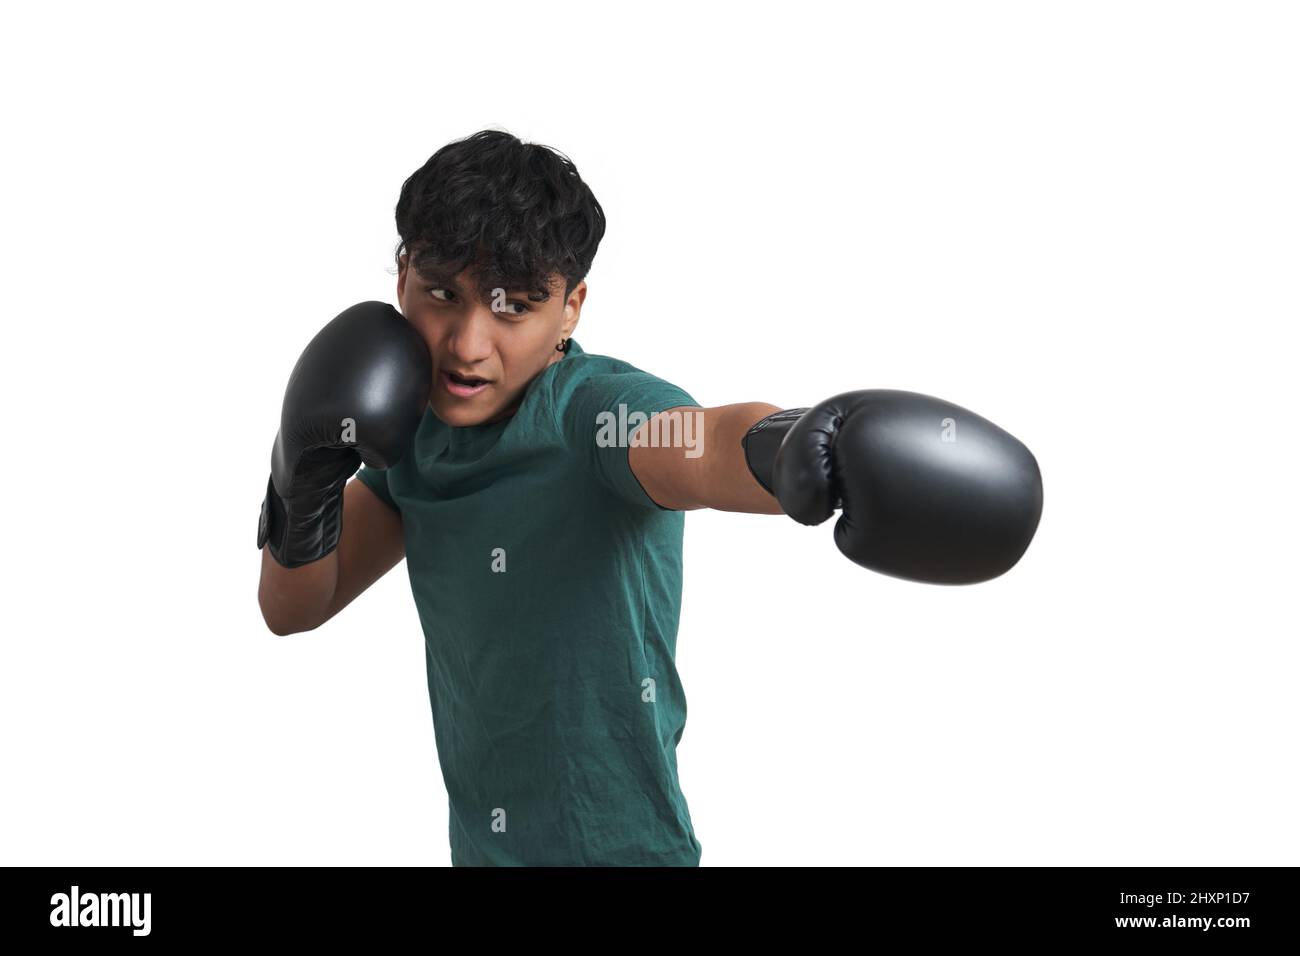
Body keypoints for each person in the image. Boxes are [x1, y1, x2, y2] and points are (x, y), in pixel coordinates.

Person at [256, 129, 1043, 866]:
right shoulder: (411, 434)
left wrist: (789, 445)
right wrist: (303, 473)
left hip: (624, 852)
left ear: (571, 308)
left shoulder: (591, 414)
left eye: (514, 307)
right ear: (399, 277)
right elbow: (294, 607)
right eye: (440, 294)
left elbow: (694, 445)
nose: (467, 345)